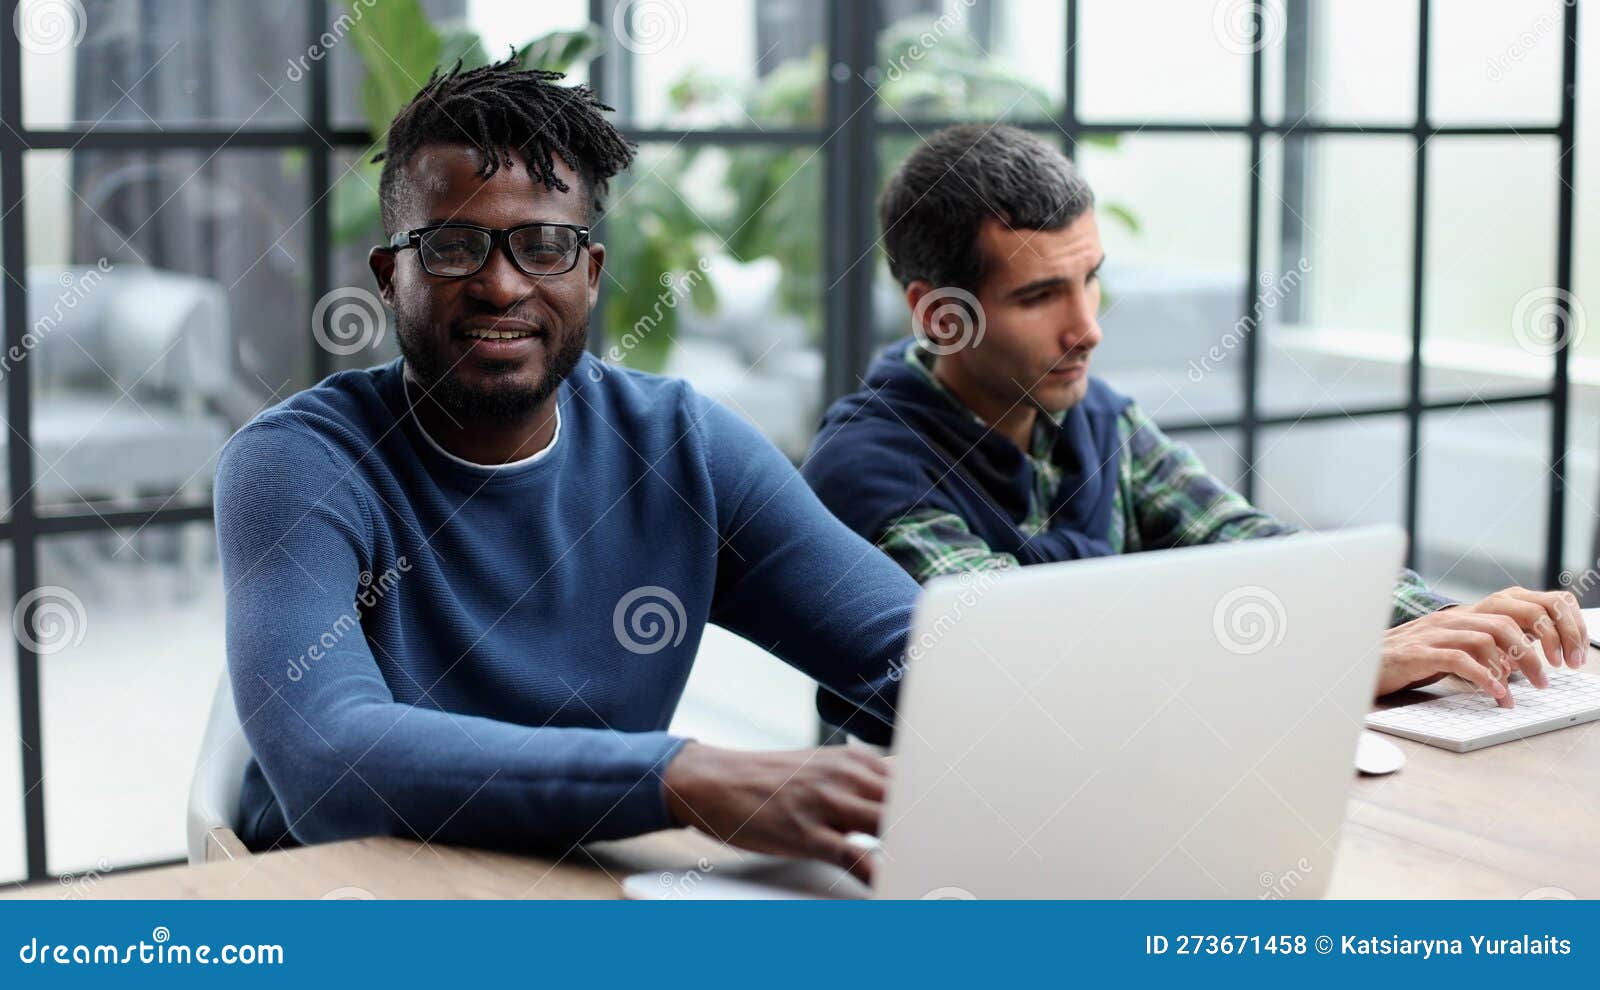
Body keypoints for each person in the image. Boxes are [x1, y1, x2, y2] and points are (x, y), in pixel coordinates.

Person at [214, 59, 916, 881]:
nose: (501, 285)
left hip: (580, 883)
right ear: (388, 276)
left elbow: (921, 657)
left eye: (545, 247)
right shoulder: (297, 461)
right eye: (451, 247)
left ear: (589, 273)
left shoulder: (684, 447)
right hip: (346, 896)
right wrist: (679, 776)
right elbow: (327, 760)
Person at [802, 123, 1586, 730]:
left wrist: (1449, 622)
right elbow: (1034, 659)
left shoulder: (1094, 418)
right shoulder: (869, 469)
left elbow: (1248, 548)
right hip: (924, 825)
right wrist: (1336, 662)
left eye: (1092, 281)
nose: (1088, 329)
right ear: (938, 314)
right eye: (1040, 297)